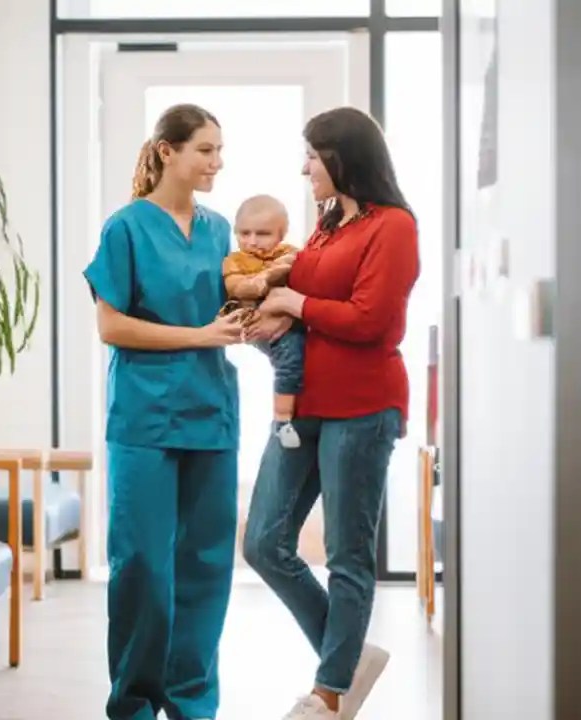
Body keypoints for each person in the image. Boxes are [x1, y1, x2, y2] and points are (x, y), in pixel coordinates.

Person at [241, 106, 420, 720]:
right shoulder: (326, 224)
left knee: (347, 555)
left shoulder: (393, 227)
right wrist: (269, 312)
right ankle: (346, 658)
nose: (304, 167)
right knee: (264, 542)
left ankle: (328, 695)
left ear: (343, 158)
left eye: (313, 156)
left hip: (362, 408)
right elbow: (307, 303)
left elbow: (373, 321)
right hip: (304, 407)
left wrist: (296, 300)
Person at [84, 103, 246, 720]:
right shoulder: (124, 228)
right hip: (144, 418)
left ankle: (192, 705)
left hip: (211, 412)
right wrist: (200, 336)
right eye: (205, 149)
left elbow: (226, 313)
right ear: (167, 152)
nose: (216, 162)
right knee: (144, 567)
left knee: (204, 568)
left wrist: (251, 321)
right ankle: (132, 704)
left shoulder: (220, 228)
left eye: (219, 150)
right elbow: (112, 325)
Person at [219, 194, 305, 449]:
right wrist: (263, 280)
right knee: (290, 354)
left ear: (281, 233)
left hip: (288, 313)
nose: (252, 242)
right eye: (244, 234)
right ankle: (282, 420)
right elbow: (237, 287)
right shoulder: (236, 260)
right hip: (253, 314)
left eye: (263, 234)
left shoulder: (289, 254)